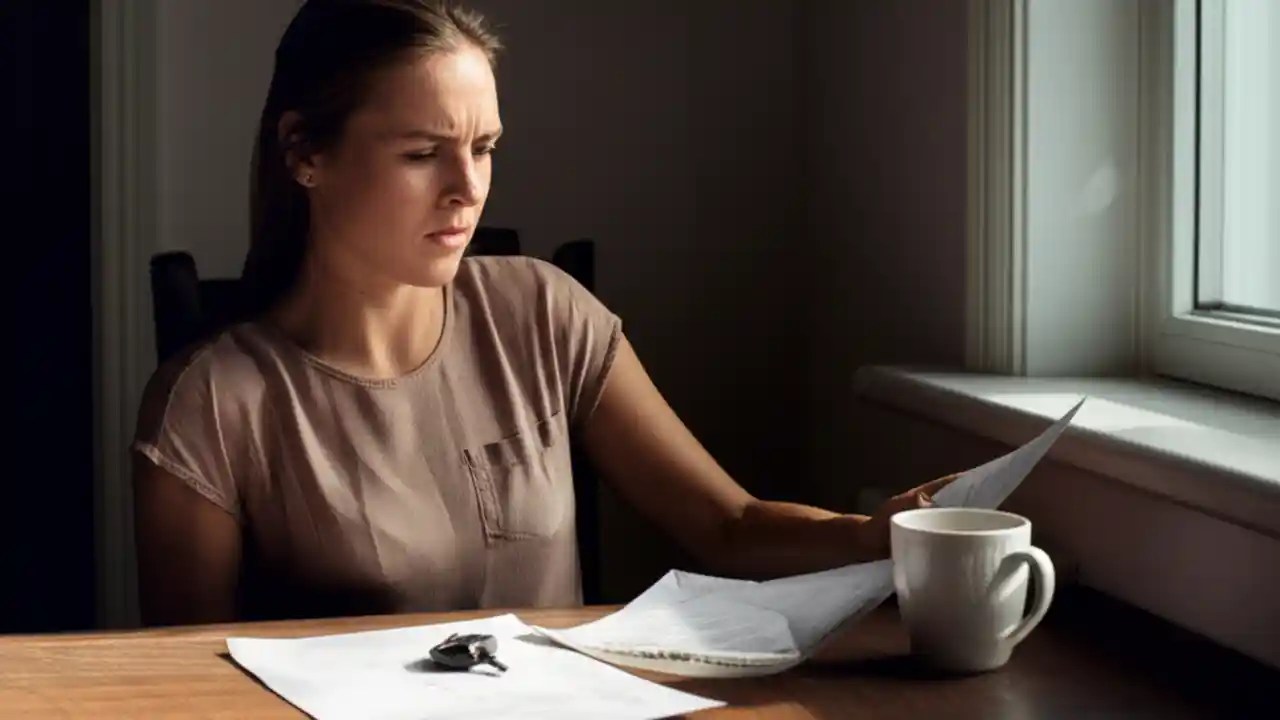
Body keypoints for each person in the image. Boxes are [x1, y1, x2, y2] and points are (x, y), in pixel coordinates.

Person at [132, 0, 956, 627]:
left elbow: (729, 525)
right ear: (305, 153)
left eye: (484, 148)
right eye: (422, 154)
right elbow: (186, 682)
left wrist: (871, 536)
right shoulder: (210, 406)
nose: (467, 188)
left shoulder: (542, 312)